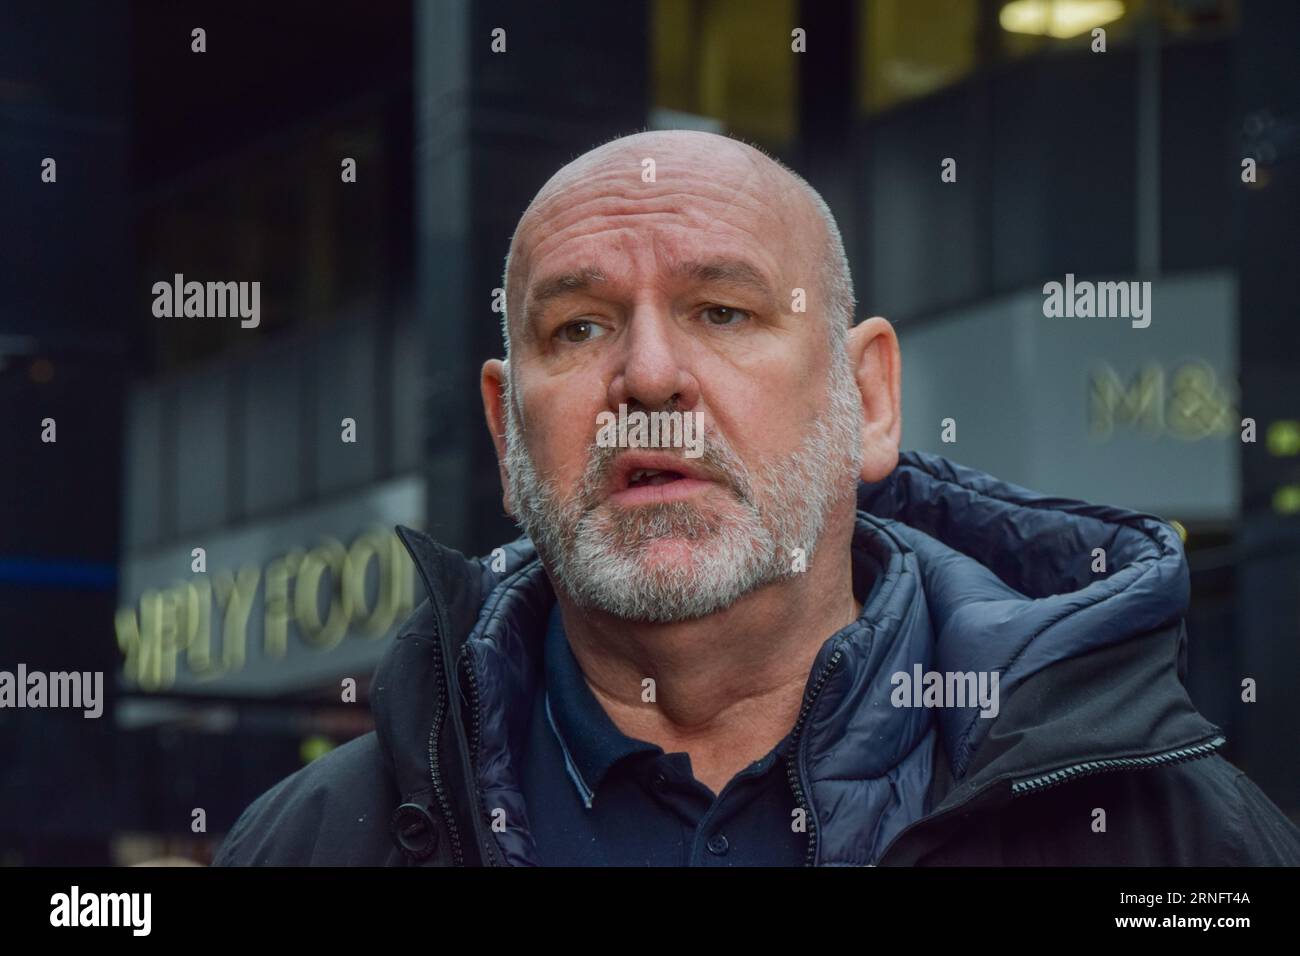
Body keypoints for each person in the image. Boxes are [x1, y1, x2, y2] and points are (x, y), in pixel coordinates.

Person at [214, 130, 1300, 866]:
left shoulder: (1157, 826)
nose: (647, 377)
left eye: (723, 310)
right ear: (507, 432)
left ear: (867, 398)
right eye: (578, 327)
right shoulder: (319, 839)